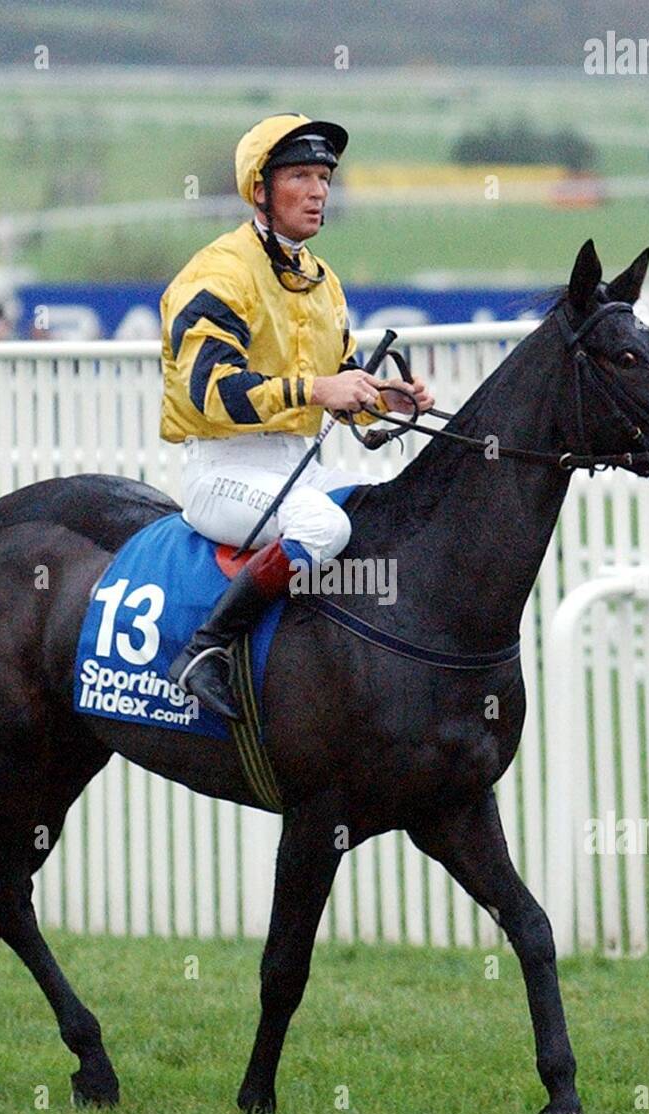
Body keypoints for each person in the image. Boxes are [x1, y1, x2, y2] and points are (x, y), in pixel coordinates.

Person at [159, 113, 433, 721]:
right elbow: (210, 394)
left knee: (382, 514)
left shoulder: (321, 279)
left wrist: (384, 401)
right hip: (220, 472)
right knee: (325, 529)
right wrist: (317, 389)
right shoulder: (218, 274)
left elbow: (342, 385)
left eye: (325, 178)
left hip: (298, 467)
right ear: (261, 189)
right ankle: (206, 649)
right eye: (302, 176)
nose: (318, 192)